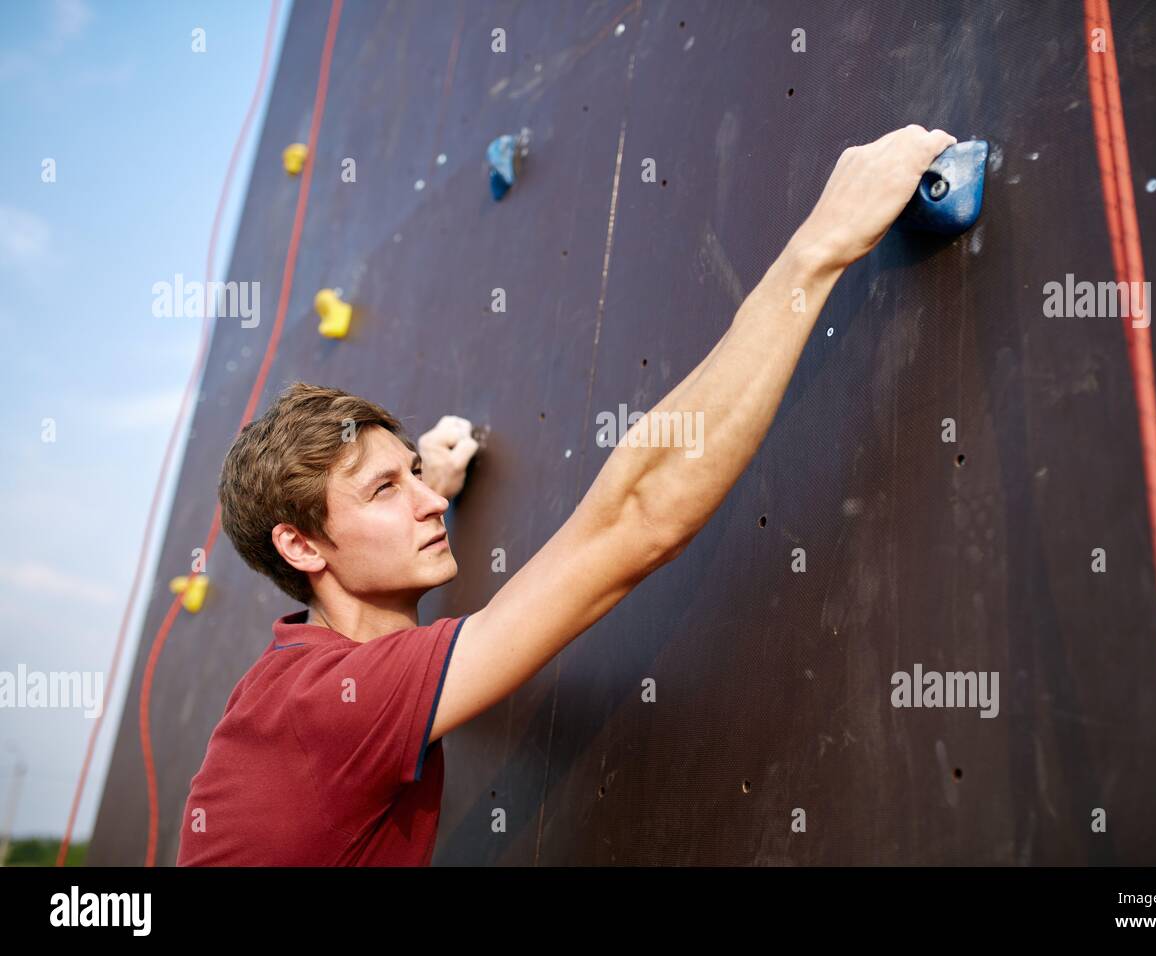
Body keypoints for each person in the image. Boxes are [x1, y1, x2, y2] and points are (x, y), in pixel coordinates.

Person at [176, 124, 957, 865]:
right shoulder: (332, 706)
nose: (429, 502)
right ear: (301, 546)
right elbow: (636, 520)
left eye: (414, 472)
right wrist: (819, 249)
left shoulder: (301, 683)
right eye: (386, 488)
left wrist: (414, 484)